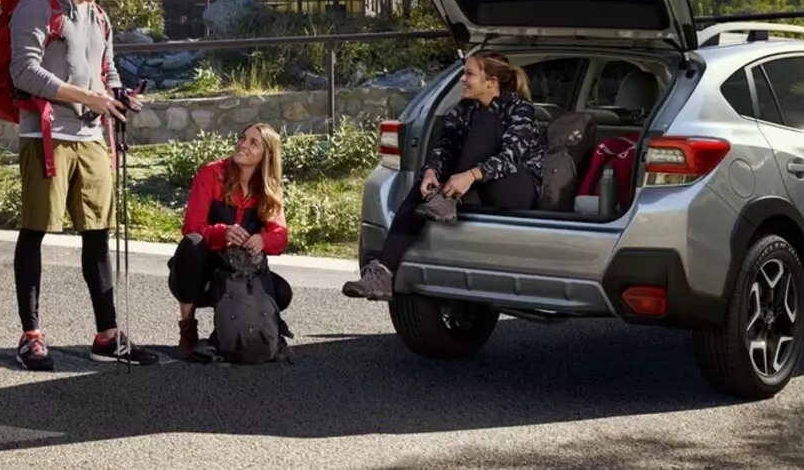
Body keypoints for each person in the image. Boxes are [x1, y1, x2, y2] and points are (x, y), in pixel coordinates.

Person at [7, 0, 159, 371]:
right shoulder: (39, 5)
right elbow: (24, 70)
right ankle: (31, 335)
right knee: (35, 230)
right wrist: (86, 96)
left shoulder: (98, 15)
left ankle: (107, 334)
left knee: (97, 233)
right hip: (47, 136)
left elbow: (105, 69)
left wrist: (116, 94)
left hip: (92, 138)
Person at [342, 52, 544, 300]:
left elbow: (511, 157)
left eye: (469, 74)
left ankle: (448, 198)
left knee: (485, 121)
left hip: (517, 191)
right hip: (477, 188)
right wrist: (431, 172)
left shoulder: (519, 108)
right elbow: (445, 147)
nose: (462, 79)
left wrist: (469, 176)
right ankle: (383, 273)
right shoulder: (463, 109)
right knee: (423, 186)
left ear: (491, 81)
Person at [169, 123, 294, 361]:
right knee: (191, 244)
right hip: (199, 276)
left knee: (282, 292)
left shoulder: (269, 188)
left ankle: (229, 330)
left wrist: (262, 239)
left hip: (235, 275)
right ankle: (188, 330)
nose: (243, 145)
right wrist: (221, 232)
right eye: (242, 138)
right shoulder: (211, 173)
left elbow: (280, 236)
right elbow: (191, 226)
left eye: (253, 142)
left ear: (266, 155)